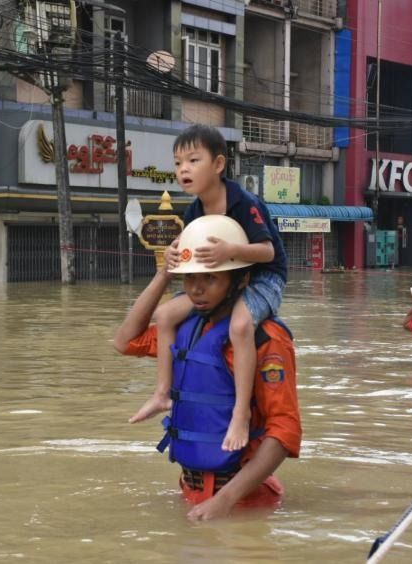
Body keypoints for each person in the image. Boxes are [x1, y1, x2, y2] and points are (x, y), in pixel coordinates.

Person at [114, 215, 301, 521]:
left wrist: (224, 502)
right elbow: (125, 341)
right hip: (191, 492)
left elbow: (284, 432)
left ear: (241, 279)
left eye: (210, 278)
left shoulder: (265, 339)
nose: (196, 290)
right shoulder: (186, 327)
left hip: (245, 502)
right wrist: (164, 275)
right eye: (189, 279)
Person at [129, 124, 288, 455]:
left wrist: (230, 250)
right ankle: (162, 392)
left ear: (218, 165)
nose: (183, 169)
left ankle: (240, 412)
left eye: (192, 160)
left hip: (262, 277)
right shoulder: (194, 210)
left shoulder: (244, 202)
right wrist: (174, 255)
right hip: (221, 277)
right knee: (165, 314)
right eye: (177, 163)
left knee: (241, 325)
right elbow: (189, 249)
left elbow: (267, 252)